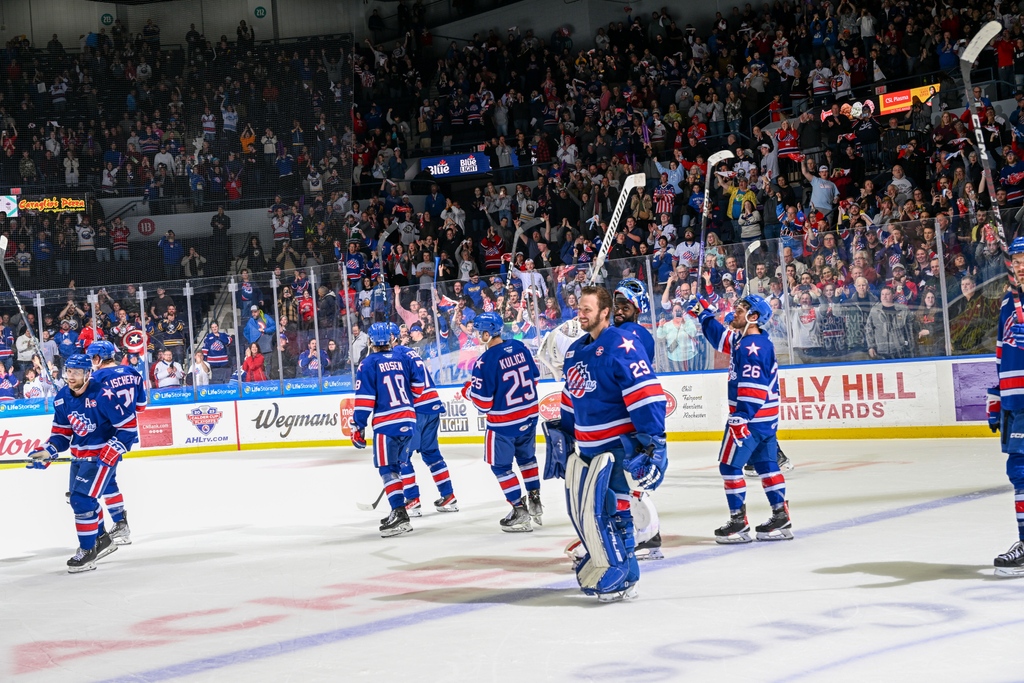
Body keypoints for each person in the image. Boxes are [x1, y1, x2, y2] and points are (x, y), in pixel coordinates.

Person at [545, 287, 668, 602]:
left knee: (615, 508)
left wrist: (654, 442)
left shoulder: (622, 344)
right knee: (589, 511)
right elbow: (570, 397)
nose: (581, 314)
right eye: (579, 309)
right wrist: (566, 434)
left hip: (615, 445)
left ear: (604, 312)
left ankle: (627, 576)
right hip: (586, 447)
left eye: (587, 309)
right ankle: (607, 561)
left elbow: (645, 393)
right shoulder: (574, 351)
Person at [689, 294, 791, 544]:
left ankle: (738, 522)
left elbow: (753, 385)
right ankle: (781, 517)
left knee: (730, 467)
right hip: (766, 420)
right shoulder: (748, 340)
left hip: (750, 419)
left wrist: (742, 417)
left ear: (753, 317)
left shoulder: (749, 347)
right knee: (768, 466)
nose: (735, 311)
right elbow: (720, 338)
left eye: (742, 309)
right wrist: (704, 315)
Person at [26, 355, 128, 572]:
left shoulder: (104, 394)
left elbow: (127, 428)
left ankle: (87, 551)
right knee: (78, 500)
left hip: (101, 456)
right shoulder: (62, 397)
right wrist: (48, 451)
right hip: (79, 457)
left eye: (76, 372)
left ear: (87, 374)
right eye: (69, 371)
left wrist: (112, 449)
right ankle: (101, 538)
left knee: (82, 500)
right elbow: (62, 434)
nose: (70, 376)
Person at [465, 312, 543, 531]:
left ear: (488, 333)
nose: (478, 335)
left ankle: (519, 509)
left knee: (500, 467)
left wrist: (469, 392)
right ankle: (535, 499)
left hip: (503, 423)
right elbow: (535, 378)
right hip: (529, 416)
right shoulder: (521, 348)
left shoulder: (485, 360)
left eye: (480, 331)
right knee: (527, 459)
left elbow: (483, 404)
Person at [351, 322, 418, 537]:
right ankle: (398, 510)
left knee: (387, 469)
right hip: (408, 420)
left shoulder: (368, 363)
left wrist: (358, 427)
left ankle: (399, 513)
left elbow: (364, 401)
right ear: (390, 340)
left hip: (386, 424)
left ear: (370, 341)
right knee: (397, 467)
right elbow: (417, 387)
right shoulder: (402, 358)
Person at [612, 278, 662, 560]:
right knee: (630, 479)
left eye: (625, 305)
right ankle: (647, 536)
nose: (618, 310)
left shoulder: (631, 333)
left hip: (628, 416)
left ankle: (643, 536)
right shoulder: (634, 332)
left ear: (637, 308)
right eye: (615, 304)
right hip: (632, 414)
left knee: (627, 480)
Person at [390, 324, 458, 515]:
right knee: (431, 453)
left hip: (418, 409)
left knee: (402, 457)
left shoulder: (394, 356)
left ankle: (412, 500)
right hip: (432, 404)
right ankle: (448, 496)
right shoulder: (410, 352)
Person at [86, 340, 145, 547]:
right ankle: (120, 525)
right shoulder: (133, 372)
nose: (90, 361)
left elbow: (87, 407)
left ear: (98, 358)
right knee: (109, 480)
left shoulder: (96, 377)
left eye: (92, 357)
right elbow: (141, 406)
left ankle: (103, 532)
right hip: (124, 435)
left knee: (92, 487)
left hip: (104, 435)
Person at [990, 237, 1024, 576]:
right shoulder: (1007, 302)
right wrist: (996, 396)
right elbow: (1002, 352)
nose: (1020, 264)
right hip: (1016, 399)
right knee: (1020, 473)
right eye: (1016, 259)